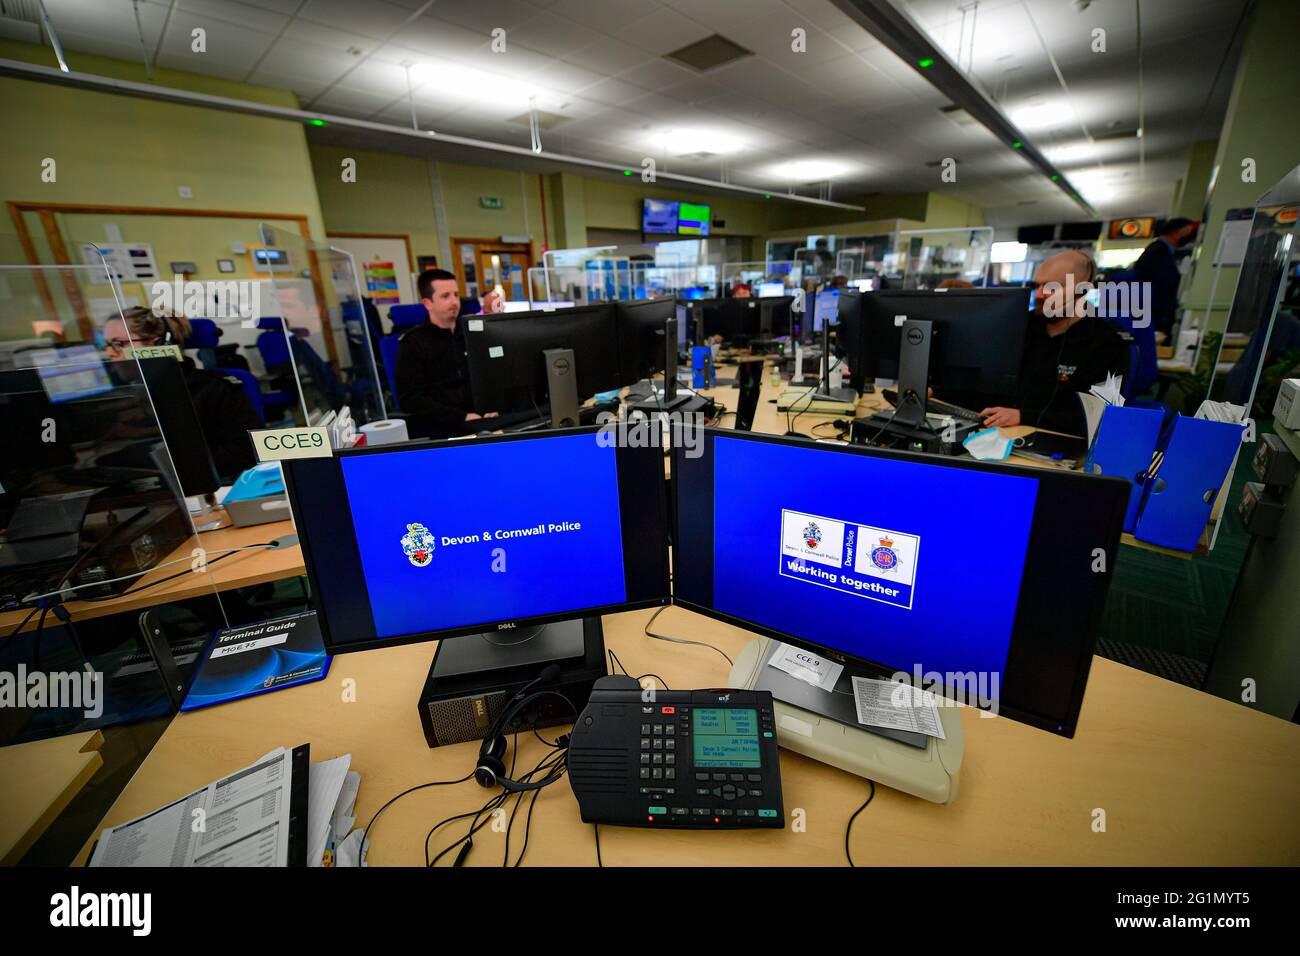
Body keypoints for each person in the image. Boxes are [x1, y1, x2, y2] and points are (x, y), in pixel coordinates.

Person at [979, 250, 1129, 437]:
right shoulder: (1020, 327)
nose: (1040, 294)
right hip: (997, 434)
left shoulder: (1106, 344)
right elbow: (984, 385)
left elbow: (1097, 417)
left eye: (1052, 287)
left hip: (1060, 446)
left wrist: (1024, 416)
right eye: (1037, 285)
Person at [102, 308, 261, 480]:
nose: (108, 353)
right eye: (106, 345)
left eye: (119, 344)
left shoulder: (213, 389)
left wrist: (164, 463)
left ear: (157, 346)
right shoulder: (141, 393)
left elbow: (245, 452)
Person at [395, 268, 500, 439]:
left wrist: (492, 405)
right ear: (428, 303)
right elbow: (410, 399)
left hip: (483, 420)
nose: (454, 302)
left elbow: (490, 375)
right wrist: (461, 417)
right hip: (443, 426)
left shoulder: (471, 333)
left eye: (456, 295)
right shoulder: (413, 343)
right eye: (446, 296)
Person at [1133, 217, 1199, 336]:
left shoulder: (1157, 250)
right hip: (1153, 314)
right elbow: (1164, 285)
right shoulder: (1159, 252)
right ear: (1177, 232)